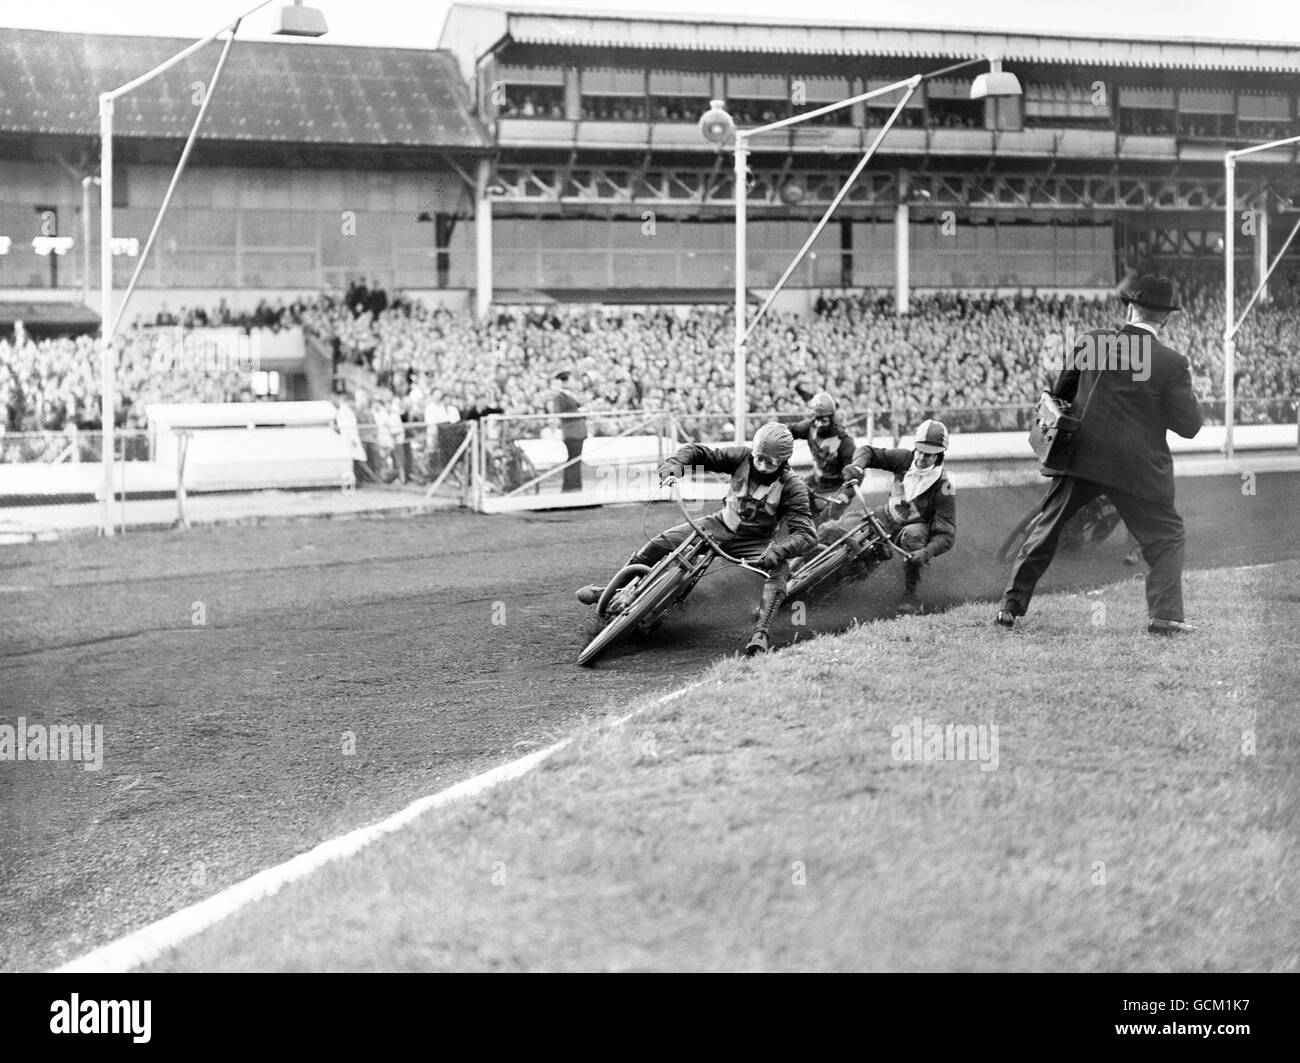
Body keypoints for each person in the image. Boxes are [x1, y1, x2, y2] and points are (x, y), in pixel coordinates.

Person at [996, 273, 1203, 635]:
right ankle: (1165, 616)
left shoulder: (1093, 342)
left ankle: (1010, 608)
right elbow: (1189, 426)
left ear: (1130, 308)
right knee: (1167, 537)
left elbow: (1061, 392)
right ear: (1165, 317)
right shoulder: (1172, 362)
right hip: (1137, 467)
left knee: (1046, 529)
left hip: (1081, 456)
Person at [575, 422, 816, 656]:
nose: (761, 465)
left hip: (755, 542)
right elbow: (699, 452)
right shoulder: (741, 457)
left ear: (783, 461)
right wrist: (675, 464)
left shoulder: (794, 487)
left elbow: (806, 534)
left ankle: (760, 633)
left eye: (769, 462)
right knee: (659, 543)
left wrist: (778, 551)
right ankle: (613, 590)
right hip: (718, 523)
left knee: (780, 571)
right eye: (758, 457)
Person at [819, 419, 957, 617]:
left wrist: (925, 553)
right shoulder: (903, 458)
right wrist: (857, 466)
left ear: (940, 455)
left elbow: (947, 535)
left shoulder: (945, 486)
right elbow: (868, 451)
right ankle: (794, 565)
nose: (921, 457)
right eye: (919, 450)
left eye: (929, 454)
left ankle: (911, 595)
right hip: (885, 515)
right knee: (828, 529)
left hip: (913, 527)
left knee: (913, 536)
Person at [788, 391, 857, 524]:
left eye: (824, 420)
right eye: (816, 419)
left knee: (823, 526)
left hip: (837, 489)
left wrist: (846, 494)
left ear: (832, 417)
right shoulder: (810, 427)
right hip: (816, 481)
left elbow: (855, 474)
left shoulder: (845, 441)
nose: (819, 424)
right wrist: (775, 435)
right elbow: (791, 430)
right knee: (790, 498)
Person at [550, 370, 587, 493]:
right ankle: (572, 488)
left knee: (575, 459)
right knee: (574, 460)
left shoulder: (569, 395)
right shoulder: (560, 397)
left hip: (577, 430)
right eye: (571, 379)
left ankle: (572, 487)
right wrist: (579, 412)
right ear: (564, 381)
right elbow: (561, 414)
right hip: (572, 431)